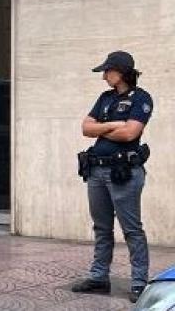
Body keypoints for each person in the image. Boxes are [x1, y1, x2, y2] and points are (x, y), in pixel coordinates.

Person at [71, 50, 153, 303]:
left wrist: (102, 129)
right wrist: (113, 125)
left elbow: (130, 134)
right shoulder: (105, 98)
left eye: (107, 71)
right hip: (96, 171)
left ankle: (139, 283)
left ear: (121, 72)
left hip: (123, 173)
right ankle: (99, 277)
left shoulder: (141, 98)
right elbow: (86, 128)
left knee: (131, 229)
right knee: (102, 227)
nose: (104, 76)